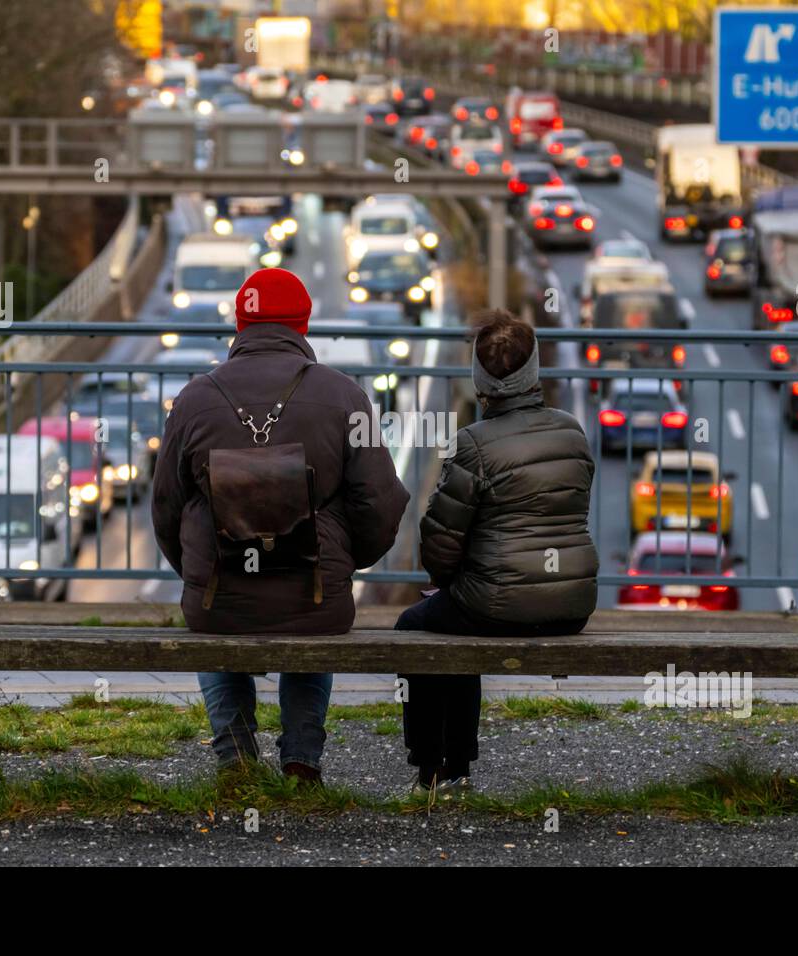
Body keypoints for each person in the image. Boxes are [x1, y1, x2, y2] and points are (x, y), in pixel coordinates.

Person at [152, 267, 409, 784]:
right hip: (315, 596)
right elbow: (379, 503)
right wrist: (339, 561)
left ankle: (237, 760)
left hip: (218, 598)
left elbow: (166, 508)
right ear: (303, 325)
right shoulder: (345, 398)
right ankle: (301, 759)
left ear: (240, 325)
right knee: (310, 621)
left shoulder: (195, 399)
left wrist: (200, 572)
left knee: (218, 626)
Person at [396, 309, 598, 793]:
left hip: (496, 606)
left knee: (420, 628)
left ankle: (433, 768)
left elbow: (440, 546)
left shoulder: (473, 444)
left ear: (480, 381)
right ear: (534, 373)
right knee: (459, 611)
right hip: (572, 604)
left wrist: (448, 581)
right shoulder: (572, 431)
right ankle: (458, 768)